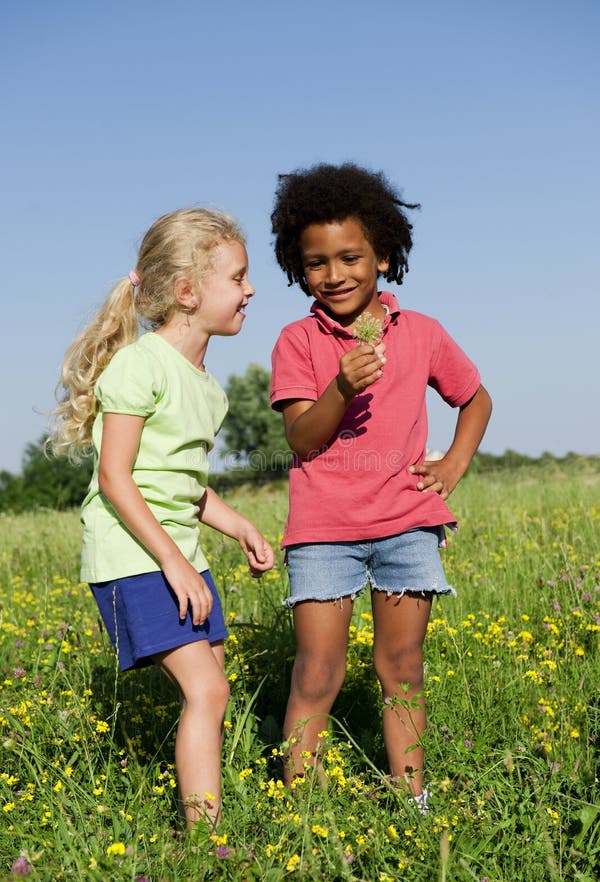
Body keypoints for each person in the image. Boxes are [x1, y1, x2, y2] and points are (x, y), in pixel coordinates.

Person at [270, 164, 492, 807]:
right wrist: (341, 386)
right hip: (323, 533)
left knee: (401, 669)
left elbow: (475, 399)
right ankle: (302, 814)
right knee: (317, 672)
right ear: (297, 267)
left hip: (406, 524)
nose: (334, 274)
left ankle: (413, 802)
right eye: (316, 263)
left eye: (350, 257)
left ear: (385, 258)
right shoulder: (297, 341)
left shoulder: (421, 332)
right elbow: (302, 439)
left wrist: (451, 465)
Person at [50, 208, 275, 828]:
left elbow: (183, 487)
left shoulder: (207, 386)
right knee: (209, 691)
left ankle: (208, 816)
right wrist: (173, 562)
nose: (250, 290)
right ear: (187, 292)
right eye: (238, 277)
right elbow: (116, 478)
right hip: (134, 556)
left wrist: (240, 527)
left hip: (178, 554)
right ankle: (206, 840)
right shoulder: (140, 366)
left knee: (214, 682)